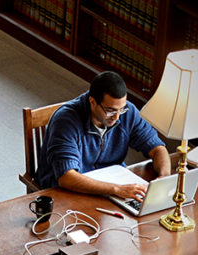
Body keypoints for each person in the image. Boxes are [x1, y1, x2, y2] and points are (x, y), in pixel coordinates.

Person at [37, 71, 171, 198]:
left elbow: (157, 148)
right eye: (110, 111)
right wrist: (117, 190)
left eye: (121, 109)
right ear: (92, 102)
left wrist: (164, 177)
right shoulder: (66, 121)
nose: (117, 117)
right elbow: (67, 177)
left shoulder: (128, 112)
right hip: (67, 190)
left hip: (109, 183)